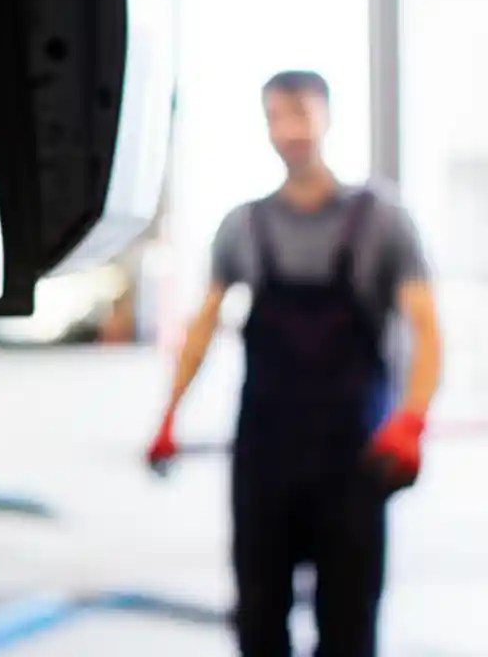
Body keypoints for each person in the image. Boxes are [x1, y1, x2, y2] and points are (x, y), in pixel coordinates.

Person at [146, 70, 442, 656]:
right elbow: (203, 328)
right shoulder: (243, 226)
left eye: (301, 114)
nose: (289, 130)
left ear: (327, 117)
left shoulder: (383, 222)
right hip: (265, 457)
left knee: (349, 625)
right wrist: (168, 414)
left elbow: (426, 328)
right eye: (277, 117)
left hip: (354, 457)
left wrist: (411, 418)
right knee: (258, 618)